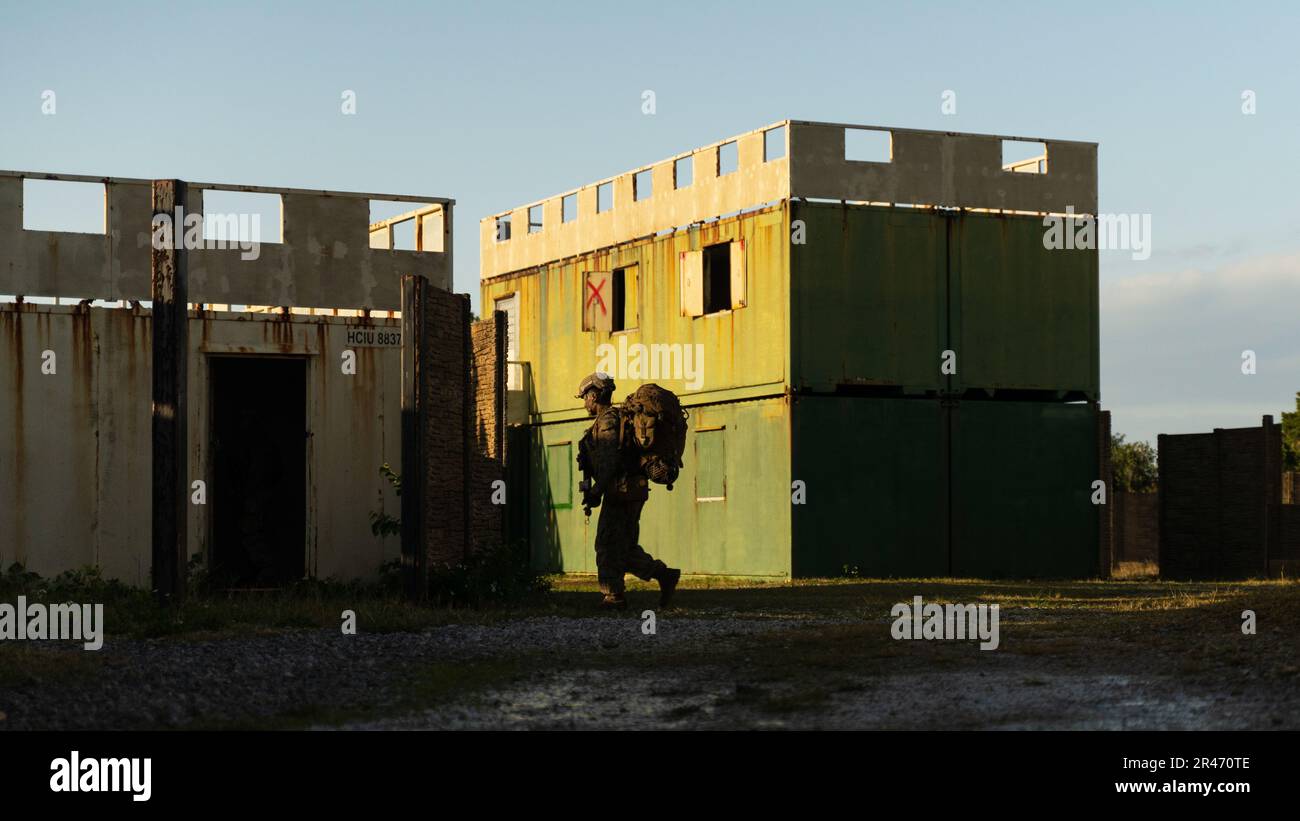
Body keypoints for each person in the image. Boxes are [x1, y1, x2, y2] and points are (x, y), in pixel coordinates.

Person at [575, 372, 681, 611]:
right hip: (632, 490)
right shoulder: (616, 418)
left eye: (585, 397)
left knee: (606, 543)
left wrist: (596, 491)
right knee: (624, 545)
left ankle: (613, 597)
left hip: (621, 490)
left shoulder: (607, 421)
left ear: (594, 396)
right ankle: (664, 575)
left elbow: (610, 462)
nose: (584, 403)